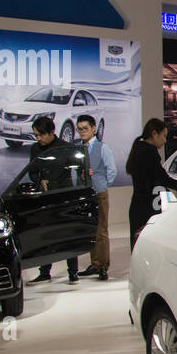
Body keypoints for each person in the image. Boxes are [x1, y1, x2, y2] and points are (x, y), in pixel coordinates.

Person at [27, 117, 80, 284]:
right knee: (45, 235)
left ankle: (73, 272)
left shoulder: (67, 148)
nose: (38, 139)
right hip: (45, 198)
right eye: (35, 135)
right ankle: (44, 272)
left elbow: (79, 171)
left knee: (68, 234)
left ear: (51, 132)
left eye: (41, 135)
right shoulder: (35, 149)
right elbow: (32, 171)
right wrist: (39, 181)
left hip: (65, 197)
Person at [127, 118, 177, 249]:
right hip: (146, 208)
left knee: (138, 245)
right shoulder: (148, 152)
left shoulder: (139, 148)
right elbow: (164, 179)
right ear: (154, 134)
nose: (165, 140)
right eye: (163, 136)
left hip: (138, 206)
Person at [76, 115, 116, 282]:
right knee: (92, 230)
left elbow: (112, 170)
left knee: (101, 230)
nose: (81, 132)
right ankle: (95, 263)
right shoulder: (79, 149)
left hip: (99, 192)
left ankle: (103, 266)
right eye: (79, 129)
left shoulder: (102, 147)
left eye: (85, 128)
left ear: (93, 128)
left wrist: (101, 182)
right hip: (85, 194)